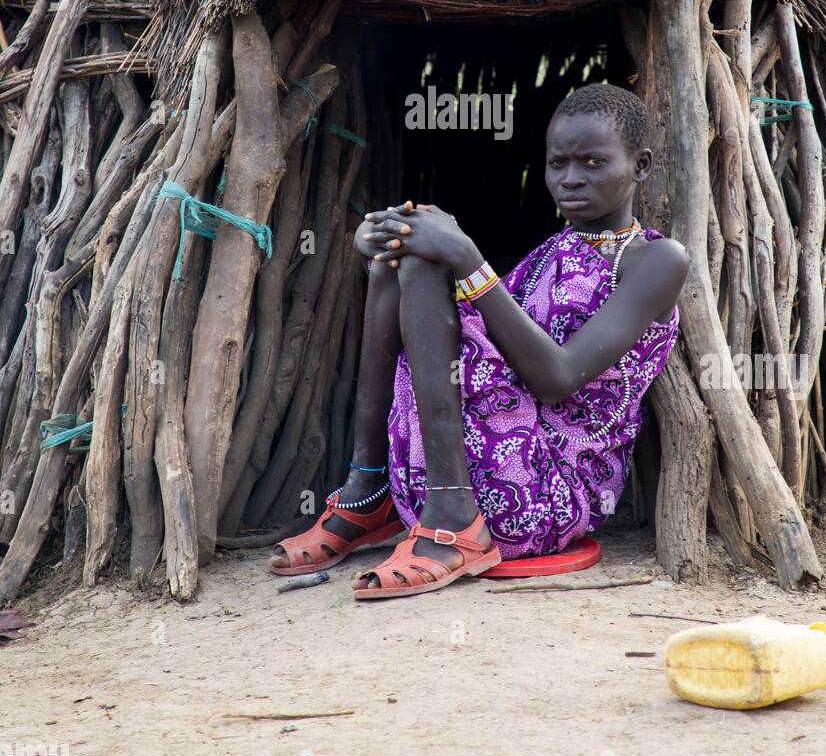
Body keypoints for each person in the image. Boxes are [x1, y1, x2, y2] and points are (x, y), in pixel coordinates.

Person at [270, 82, 689, 600]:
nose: (571, 179)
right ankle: (368, 488)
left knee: (436, 265)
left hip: (547, 492)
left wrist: (468, 259)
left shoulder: (658, 261)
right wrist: (384, 252)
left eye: (593, 163)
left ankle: (452, 520)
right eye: (557, 163)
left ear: (641, 166)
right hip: (466, 471)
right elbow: (474, 332)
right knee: (411, 256)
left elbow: (556, 379)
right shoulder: (550, 253)